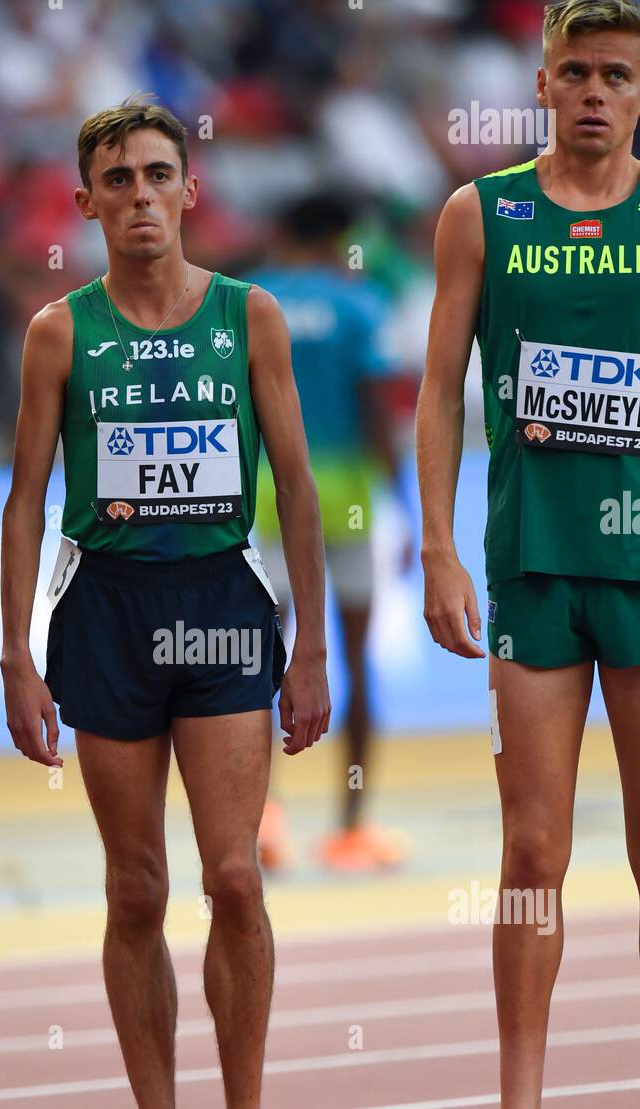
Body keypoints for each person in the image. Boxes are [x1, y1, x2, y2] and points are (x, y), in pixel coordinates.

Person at [0, 96, 330, 1109]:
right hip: (106, 610)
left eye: (157, 175)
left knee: (233, 876)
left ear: (190, 191)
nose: (139, 196)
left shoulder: (249, 317)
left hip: (221, 602)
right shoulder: (60, 331)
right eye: (117, 179)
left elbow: (294, 485)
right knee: (134, 887)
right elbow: (25, 498)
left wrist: (310, 651)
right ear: (85, 199)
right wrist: (14, 657)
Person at [417, 0, 640, 1109]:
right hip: (532, 570)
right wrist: (438, 549)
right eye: (576, 72)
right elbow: (440, 391)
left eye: (616, 73)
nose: (595, 91)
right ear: (540, 82)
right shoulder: (484, 213)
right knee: (531, 852)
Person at [250, 192, 413, 873]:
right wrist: (403, 505)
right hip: (345, 497)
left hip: (264, 497)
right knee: (353, 660)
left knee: (255, 663)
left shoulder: (247, 304)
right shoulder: (359, 305)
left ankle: (260, 819)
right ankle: (350, 829)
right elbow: (379, 409)